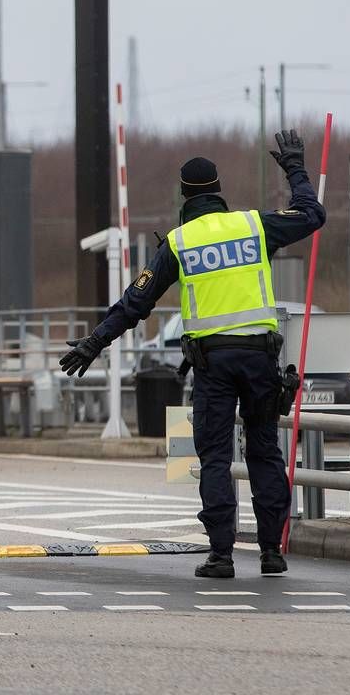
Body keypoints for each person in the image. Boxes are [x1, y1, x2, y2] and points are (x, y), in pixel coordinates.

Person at [60, 130, 324, 578]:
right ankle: (271, 552)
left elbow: (134, 303)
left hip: (213, 365)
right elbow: (311, 214)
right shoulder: (253, 226)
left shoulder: (179, 244)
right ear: (219, 189)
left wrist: (94, 343)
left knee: (216, 456)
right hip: (260, 359)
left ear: (184, 193)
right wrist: (295, 167)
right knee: (264, 451)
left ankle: (221, 556)